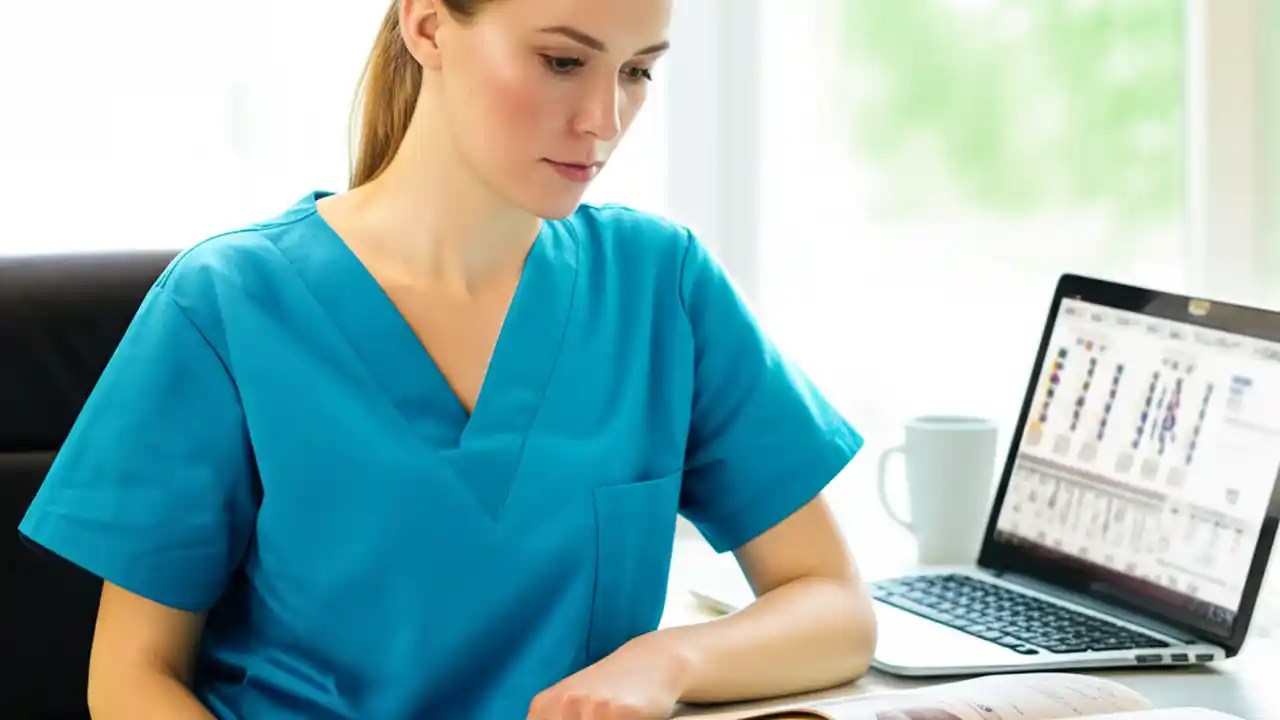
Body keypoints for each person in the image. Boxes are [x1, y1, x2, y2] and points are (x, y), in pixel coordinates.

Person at [17, 0, 877, 717]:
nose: (604, 121)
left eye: (638, 71)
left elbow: (835, 606)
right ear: (427, 25)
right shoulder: (228, 303)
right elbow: (131, 679)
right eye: (562, 62)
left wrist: (668, 660)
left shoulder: (662, 286)